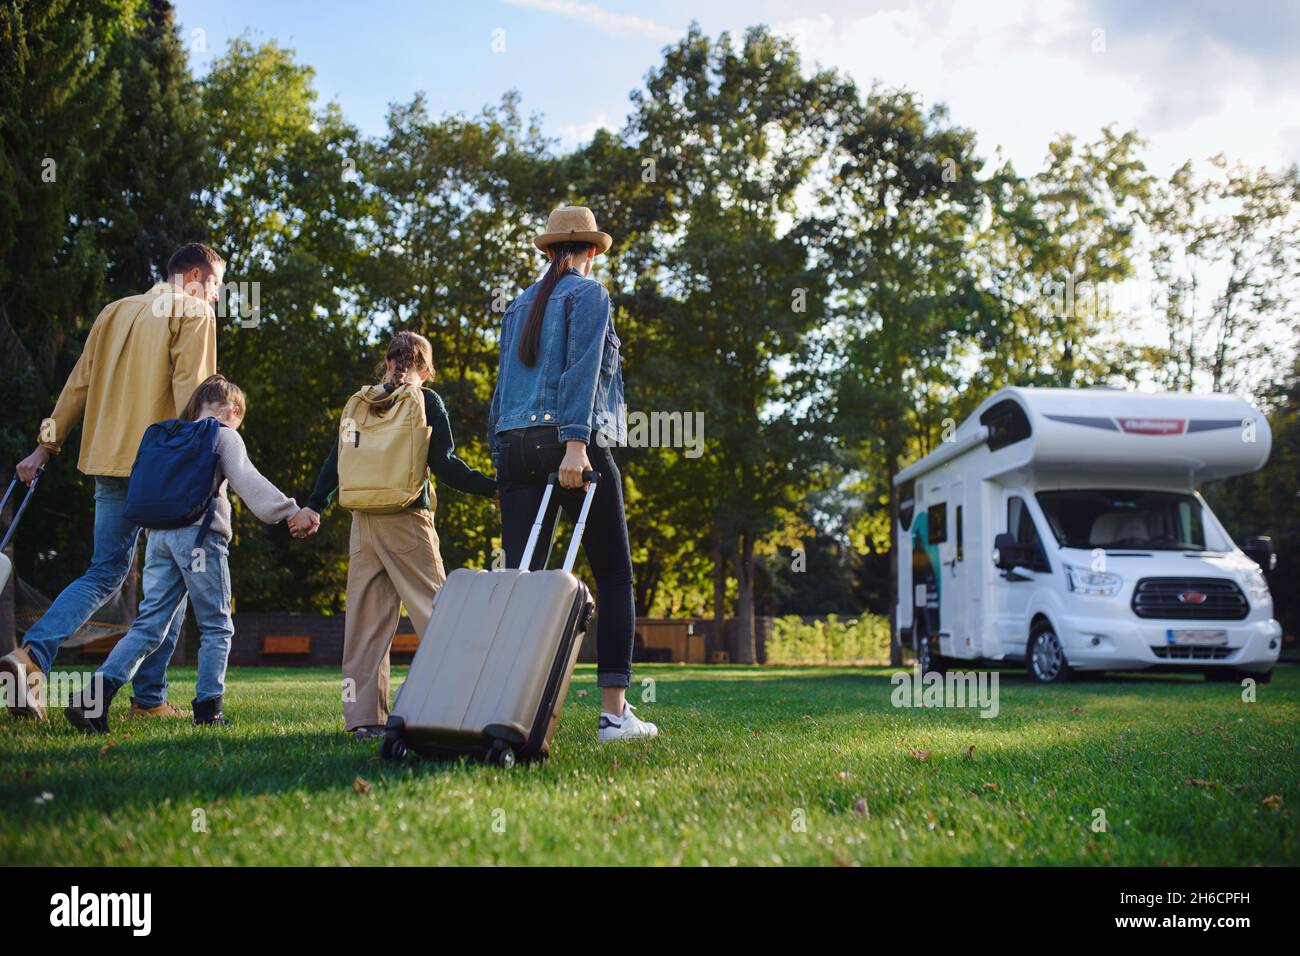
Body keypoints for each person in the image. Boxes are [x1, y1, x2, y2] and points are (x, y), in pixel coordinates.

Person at [2, 243, 224, 721]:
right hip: (163, 469)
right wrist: (211, 464)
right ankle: (148, 700)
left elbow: (77, 384)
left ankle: (30, 659)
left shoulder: (113, 312)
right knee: (175, 577)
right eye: (216, 285)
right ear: (195, 277)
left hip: (108, 460)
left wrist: (45, 447)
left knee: (104, 571)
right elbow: (196, 397)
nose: (217, 297)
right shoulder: (193, 312)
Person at [487, 206, 656, 743]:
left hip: (514, 449)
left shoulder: (517, 305)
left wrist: (501, 463)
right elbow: (581, 370)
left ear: (550, 250)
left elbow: (501, 391)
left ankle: (510, 708)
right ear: (590, 250)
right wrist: (575, 447)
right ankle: (613, 717)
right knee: (615, 576)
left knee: (526, 585)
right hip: (568, 445)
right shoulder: (590, 295)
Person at [65, 375, 308, 732]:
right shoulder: (222, 435)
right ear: (233, 409)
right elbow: (247, 480)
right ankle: (209, 711)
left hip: (158, 539)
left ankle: (92, 700)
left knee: (148, 626)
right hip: (199, 541)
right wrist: (290, 510)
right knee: (216, 626)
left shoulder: (169, 436)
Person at [292, 332, 497, 740]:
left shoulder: (361, 402)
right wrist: (494, 488)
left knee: (365, 626)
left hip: (362, 522)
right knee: (439, 616)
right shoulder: (427, 401)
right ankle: (460, 708)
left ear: (387, 363)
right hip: (406, 520)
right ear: (426, 368)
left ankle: (364, 720)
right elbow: (446, 464)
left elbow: (337, 460)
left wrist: (315, 505)